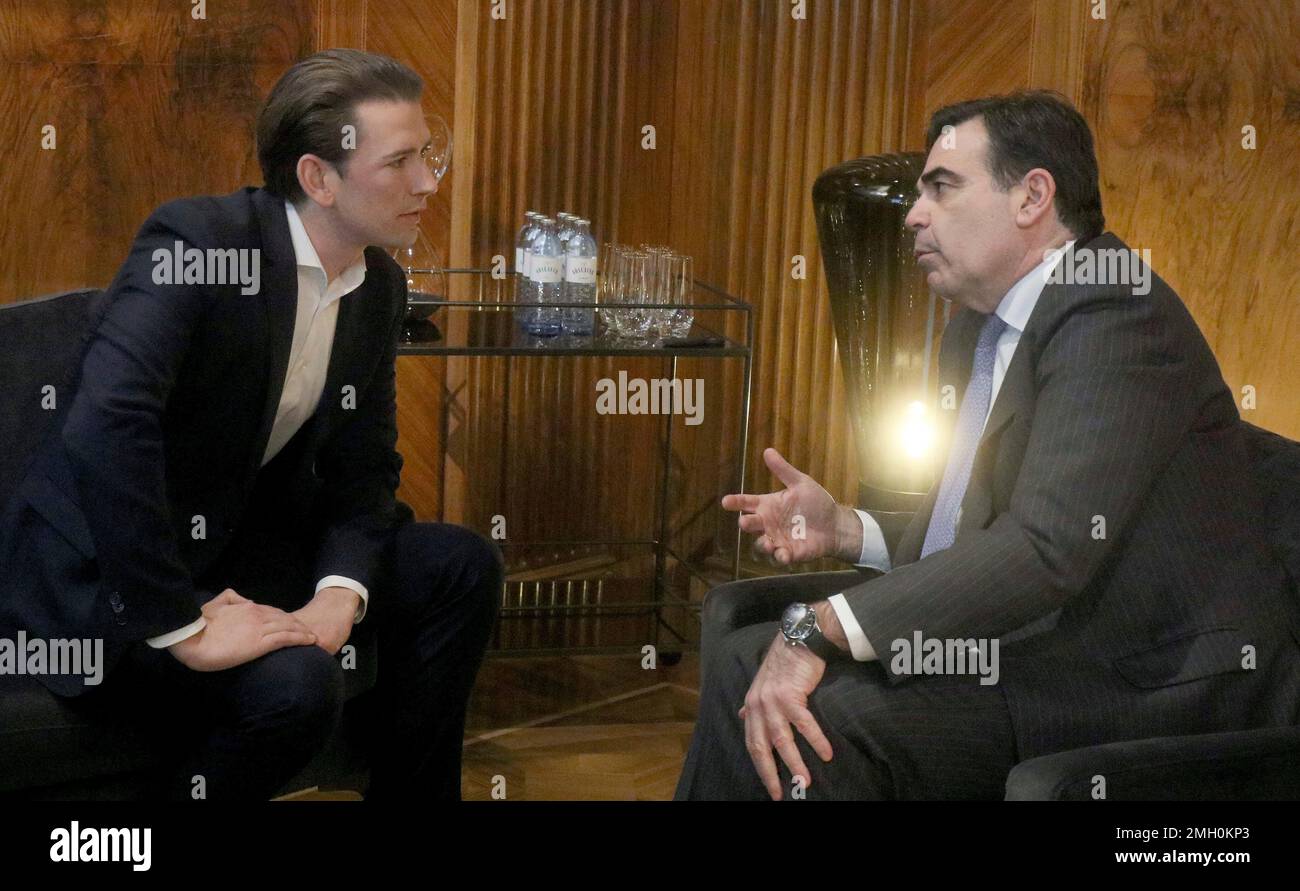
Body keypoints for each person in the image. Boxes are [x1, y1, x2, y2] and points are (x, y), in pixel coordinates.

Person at [675, 90, 1300, 801]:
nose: (914, 214)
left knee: (829, 712)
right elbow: (970, 529)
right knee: (741, 653)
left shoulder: (1114, 312)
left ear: (1033, 196)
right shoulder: (977, 329)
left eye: (942, 188)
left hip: (1147, 672)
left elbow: (1046, 548)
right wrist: (847, 528)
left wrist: (818, 629)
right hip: (1033, 641)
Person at [0, 49, 501, 800]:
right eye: (400, 161)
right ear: (317, 178)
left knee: (460, 565)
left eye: (427, 154)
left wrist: (340, 591)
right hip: (111, 569)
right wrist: (181, 623)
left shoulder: (379, 287)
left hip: (240, 540)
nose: (429, 182)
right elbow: (108, 426)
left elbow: (365, 469)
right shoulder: (199, 245)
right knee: (294, 686)